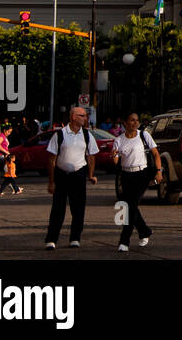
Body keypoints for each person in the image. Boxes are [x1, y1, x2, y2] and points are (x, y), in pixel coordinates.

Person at [43, 107, 99, 250]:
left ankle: (75, 238)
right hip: (61, 175)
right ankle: (51, 239)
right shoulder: (60, 135)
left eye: (85, 116)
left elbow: (91, 156)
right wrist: (51, 181)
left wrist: (90, 175)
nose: (85, 118)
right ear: (73, 117)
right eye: (82, 116)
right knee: (57, 209)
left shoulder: (87, 135)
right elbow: (51, 159)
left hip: (78, 175)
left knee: (78, 209)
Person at [112, 111, 161, 251]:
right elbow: (116, 161)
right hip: (126, 175)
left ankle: (124, 241)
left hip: (142, 174)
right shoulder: (119, 140)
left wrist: (159, 172)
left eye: (136, 120)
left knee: (131, 206)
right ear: (125, 123)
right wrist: (114, 157)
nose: (135, 123)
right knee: (126, 206)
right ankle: (144, 231)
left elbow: (156, 154)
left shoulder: (144, 135)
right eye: (132, 120)